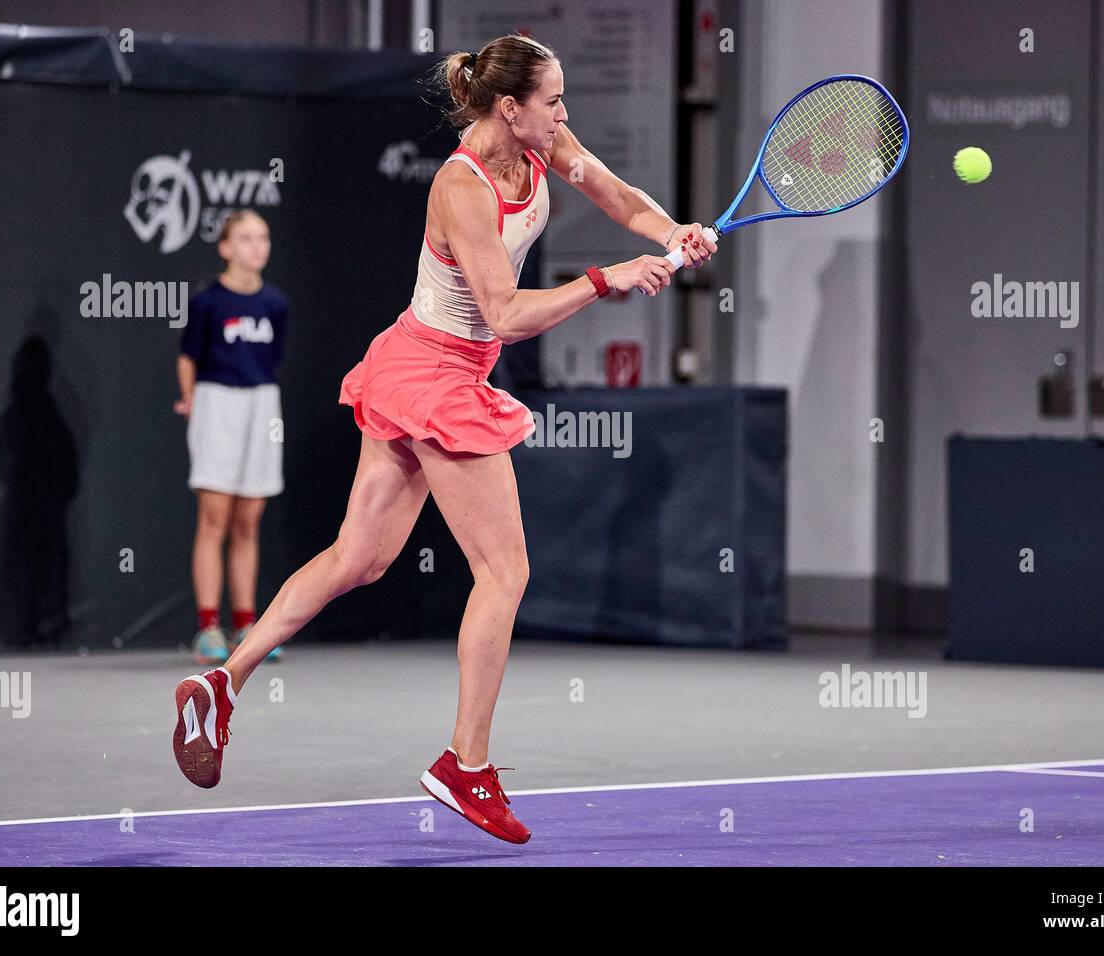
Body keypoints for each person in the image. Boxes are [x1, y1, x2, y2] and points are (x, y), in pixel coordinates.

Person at [171, 34, 715, 845]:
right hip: (438, 377)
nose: (566, 114)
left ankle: (223, 681)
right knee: (504, 571)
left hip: (416, 362)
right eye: (553, 101)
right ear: (509, 107)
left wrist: (673, 231)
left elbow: (613, 191)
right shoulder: (461, 189)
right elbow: (504, 315)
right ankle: (467, 763)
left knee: (359, 557)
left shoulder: (543, 139)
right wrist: (608, 279)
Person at [174, 210, 288, 666]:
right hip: (215, 401)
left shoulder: (276, 303)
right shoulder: (208, 302)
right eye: (245, 238)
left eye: (262, 238)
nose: (257, 246)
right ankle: (207, 629)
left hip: (262, 404)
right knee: (214, 519)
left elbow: (273, 357)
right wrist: (190, 399)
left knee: (248, 521)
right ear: (225, 247)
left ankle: (247, 625)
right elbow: (188, 356)